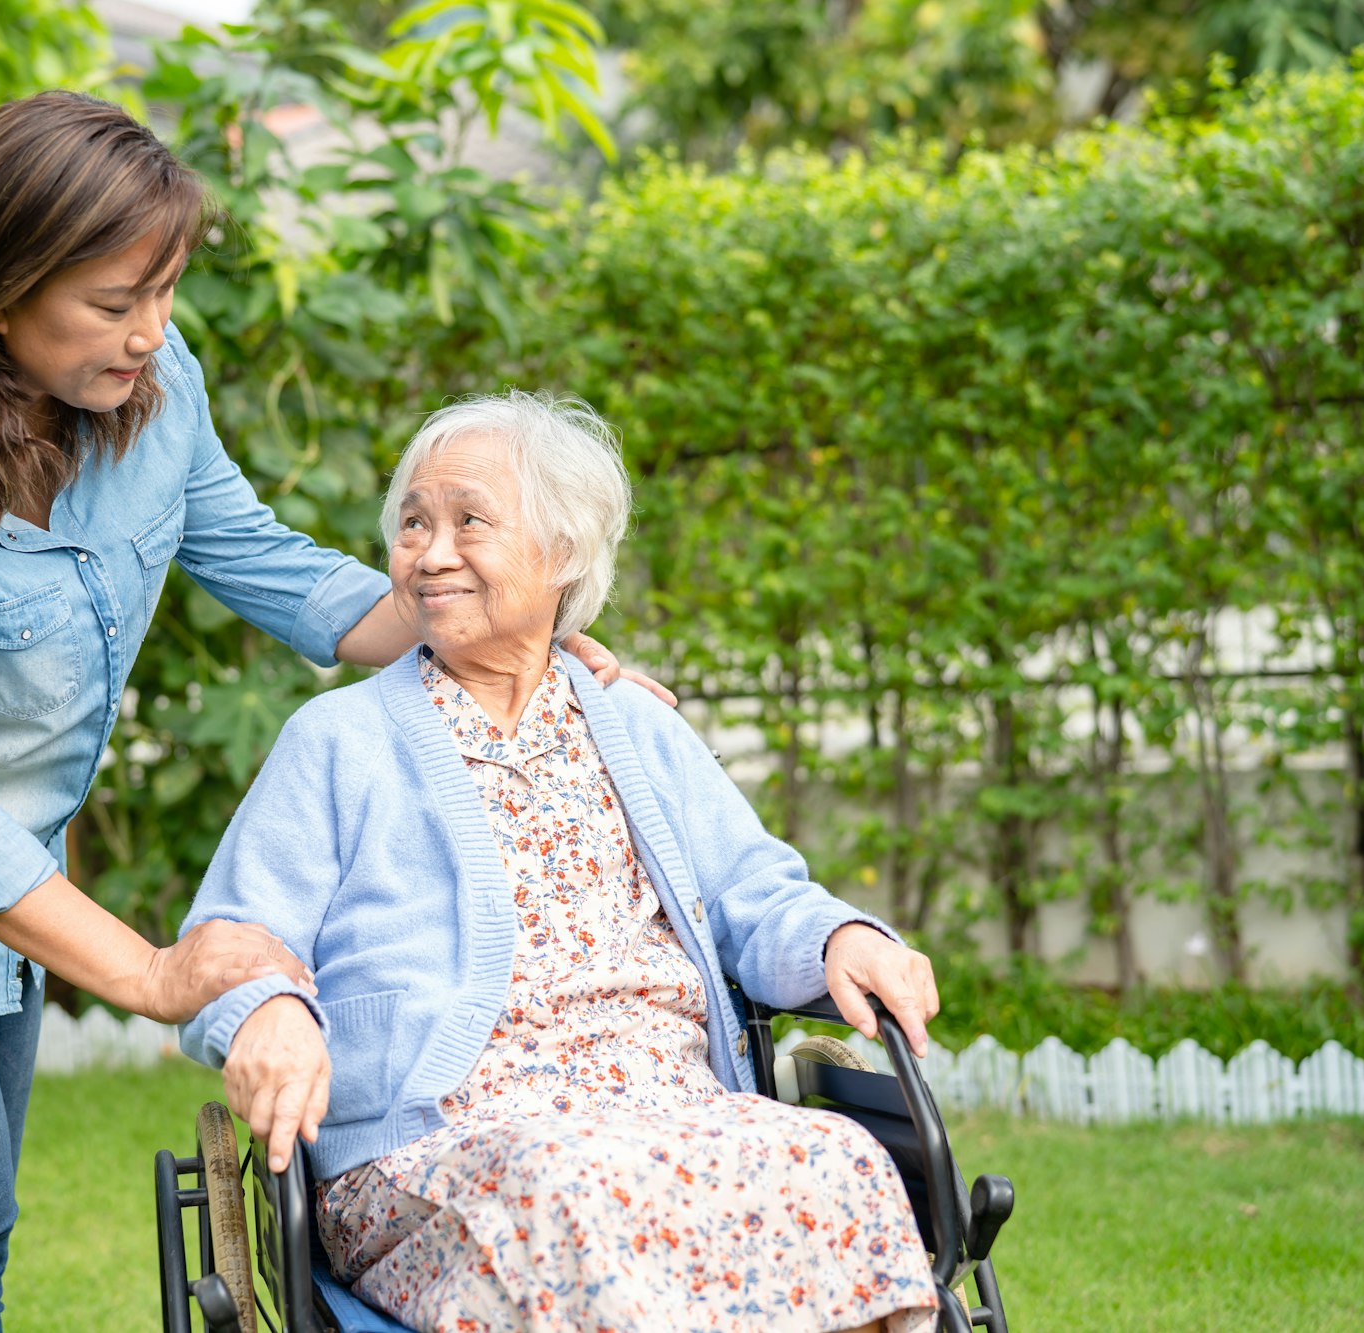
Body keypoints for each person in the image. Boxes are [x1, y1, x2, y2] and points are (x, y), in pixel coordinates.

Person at [0, 92, 658, 1332]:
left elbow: (267, 561)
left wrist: (499, 618)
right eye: (111, 303)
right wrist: (152, 972)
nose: (150, 333)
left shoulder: (148, 384)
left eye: (163, 292)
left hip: (7, 863)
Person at [179, 391, 944, 1333]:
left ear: (566, 555)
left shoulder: (637, 726)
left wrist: (841, 936)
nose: (432, 550)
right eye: (413, 522)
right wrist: (271, 1008)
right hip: (436, 1143)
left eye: (470, 520)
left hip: (672, 1109)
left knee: (843, 1160)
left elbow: (756, 891)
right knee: (571, 1188)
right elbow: (235, 934)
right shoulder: (337, 738)